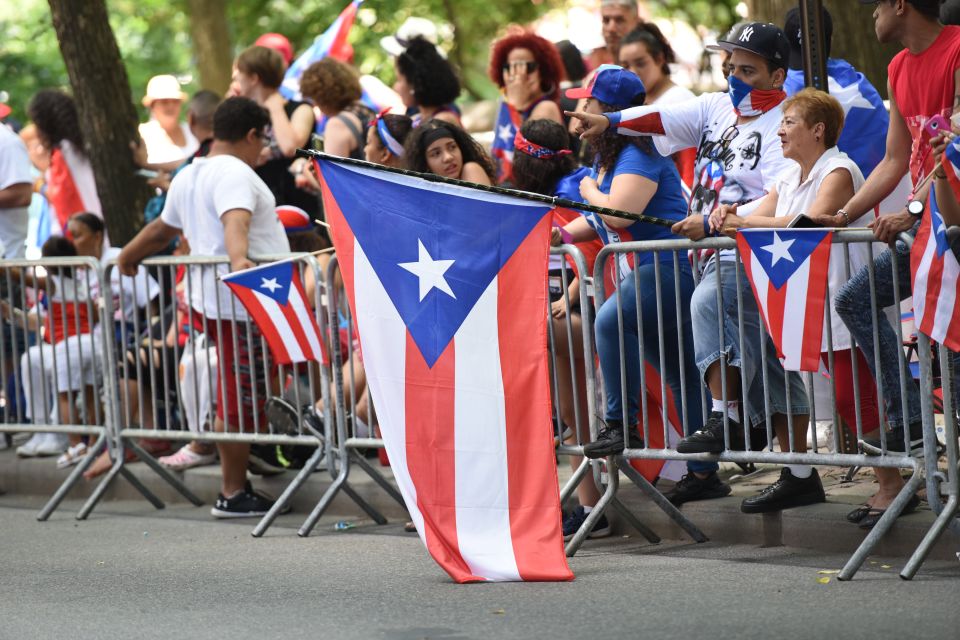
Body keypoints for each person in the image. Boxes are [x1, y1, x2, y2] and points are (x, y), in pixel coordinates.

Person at [568, 23, 811, 509]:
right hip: (707, 247)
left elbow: (783, 193)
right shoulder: (715, 107)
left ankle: (725, 415)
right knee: (769, 363)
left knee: (705, 306)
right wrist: (611, 124)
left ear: (777, 74)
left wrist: (729, 222)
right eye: (730, 66)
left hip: (750, 250)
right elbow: (659, 117)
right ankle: (801, 473)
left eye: (747, 69)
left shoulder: (787, 120)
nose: (733, 76)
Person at [710, 89, 898, 516]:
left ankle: (891, 484)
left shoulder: (838, 168)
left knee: (857, 397)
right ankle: (890, 480)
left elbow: (805, 221)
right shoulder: (789, 177)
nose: (779, 130)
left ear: (818, 130)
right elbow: (759, 209)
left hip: (846, 300)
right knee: (851, 398)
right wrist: (720, 217)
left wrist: (741, 221)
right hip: (819, 304)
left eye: (789, 121)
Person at [558, 65, 726, 516]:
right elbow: (595, 218)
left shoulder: (637, 154)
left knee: (609, 322)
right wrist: (559, 237)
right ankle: (704, 472)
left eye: (586, 103)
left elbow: (618, 215)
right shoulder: (611, 158)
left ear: (609, 112)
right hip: (649, 275)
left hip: (666, 270)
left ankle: (620, 424)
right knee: (676, 370)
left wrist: (587, 187)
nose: (578, 112)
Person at [117, 97, 291, 519]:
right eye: (262, 139)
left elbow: (163, 228)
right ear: (251, 134)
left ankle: (250, 457)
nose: (264, 148)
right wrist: (238, 262)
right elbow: (237, 221)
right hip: (243, 299)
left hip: (219, 300)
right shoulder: (234, 172)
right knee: (240, 390)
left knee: (242, 385)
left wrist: (129, 255)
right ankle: (232, 492)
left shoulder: (190, 173)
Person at [830, 1, 960, 479]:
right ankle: (908, 419)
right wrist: (840, 214)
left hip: (952, 230)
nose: (871, 15)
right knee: (855, 299)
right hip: (926, 234)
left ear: (900, 4)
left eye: (877, 6)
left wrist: (913, 209)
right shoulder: (897, 67)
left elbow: (956, 149)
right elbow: (893, 160)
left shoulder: (958, 50)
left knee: (950, 352)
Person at [511, 117, 608, 539]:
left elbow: (591, 253)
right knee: (572, 413)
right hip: (555, 312)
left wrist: (563, 299)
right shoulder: (532, 194)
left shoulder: (572, 190)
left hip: (580, 309)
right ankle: (591, 509)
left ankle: (530, 416)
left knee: (522, 332)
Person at [6, 236, 97, 468]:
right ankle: (88, 440)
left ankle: (70, 440)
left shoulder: (54, 283)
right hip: (87, 344)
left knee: (65, 394)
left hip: (68, 346)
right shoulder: (78, 284)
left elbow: (20, 277)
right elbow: (91, 316)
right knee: (88, 394)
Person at [231, 45, 319, 219]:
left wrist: (275, 108)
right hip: (259, 210)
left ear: (254, 78)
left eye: (239, 72)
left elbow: (290, 148)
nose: (235, 77)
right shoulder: (244, 116)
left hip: (299, 212)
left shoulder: (301, 110)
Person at [618, 24, 696, 187]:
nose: (632, 71)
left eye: (640, 63)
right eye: (625, 66)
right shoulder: (633, 102)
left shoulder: (681, 100)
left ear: (659, 59)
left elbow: (690, 166)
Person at [488, 29, 565, 183]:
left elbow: (523, 164)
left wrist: (515, 106)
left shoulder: (546, 107)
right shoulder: (507, 105)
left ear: (543, 70)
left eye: (527, 67)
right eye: (510, 67)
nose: (519, 75)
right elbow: (497, 161)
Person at [26, 90, 102, 237]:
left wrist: (39, 186)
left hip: (85, 237)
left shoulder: (63, 156)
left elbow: (62, 199)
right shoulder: (79, 148)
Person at [299, 58, 375, 160]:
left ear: (321, 97)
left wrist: (302, 169)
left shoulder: (337, 124)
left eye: (313, 98)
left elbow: (331, 174)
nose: (315, 104)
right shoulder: (363, 108)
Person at [394, 37, 462, 127]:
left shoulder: (442, 121)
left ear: (415, 83)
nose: (395, 87)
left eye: (399, 80)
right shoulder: (418, 119)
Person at [403, 119, 495, 185]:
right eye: (436, 153)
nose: (448, 157)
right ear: (425, 163)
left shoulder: (470, 169)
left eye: (452, 147)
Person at [138, 75, 198, 169]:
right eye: (164, 102)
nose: (171, 106)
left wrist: (149, 165)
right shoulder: (143, 134)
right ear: (152, 105)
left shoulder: (192, 130)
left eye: (175, 101)